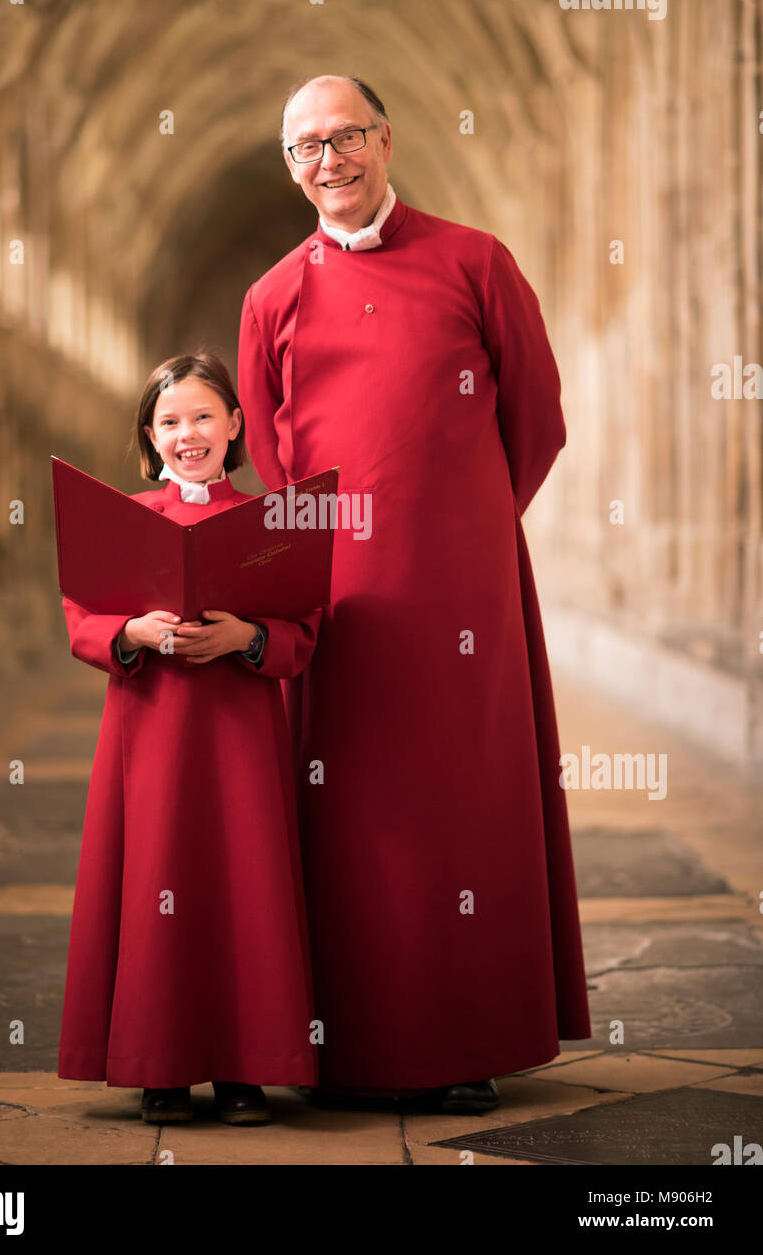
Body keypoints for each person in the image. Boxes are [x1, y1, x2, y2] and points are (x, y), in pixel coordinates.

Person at [236, 74, 593, 1114]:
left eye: (344, 136)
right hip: (335, 603)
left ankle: (461, 1036)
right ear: (289, 165)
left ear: (385, 140)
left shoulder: (474, 261)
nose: (326, 160)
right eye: (304, 146)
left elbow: (536, 421)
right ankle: (339, 1042)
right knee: (343, 811)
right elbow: (271, 458)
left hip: (458, 597)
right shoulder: (270, 297)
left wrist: (462, 529)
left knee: (457, 808)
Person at [56, 351, 322, 1125]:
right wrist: (133, 630)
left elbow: (303, 629)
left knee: (243, 884)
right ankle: (160, 1067)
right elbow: (82, 617)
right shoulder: (126, 518)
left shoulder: (270, 521)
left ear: (237, 424)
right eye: (170, 422)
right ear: (150, 437)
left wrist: (247, 635)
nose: (189, 433)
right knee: (155, 879)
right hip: (151, 737)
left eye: (204, 416)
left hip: (239, 738)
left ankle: (245, 1068)